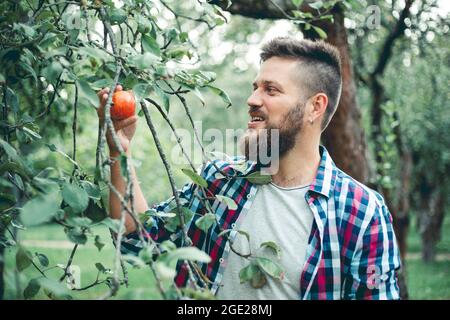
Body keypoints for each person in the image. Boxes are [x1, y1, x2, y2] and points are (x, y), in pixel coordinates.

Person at [97, 37, 402, 300]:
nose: (252, 99)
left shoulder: (362, 213)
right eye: (255, 87)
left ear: (315, 107)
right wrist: (119, 150)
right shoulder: (219, 182)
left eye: (271, 90)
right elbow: (137, 239)